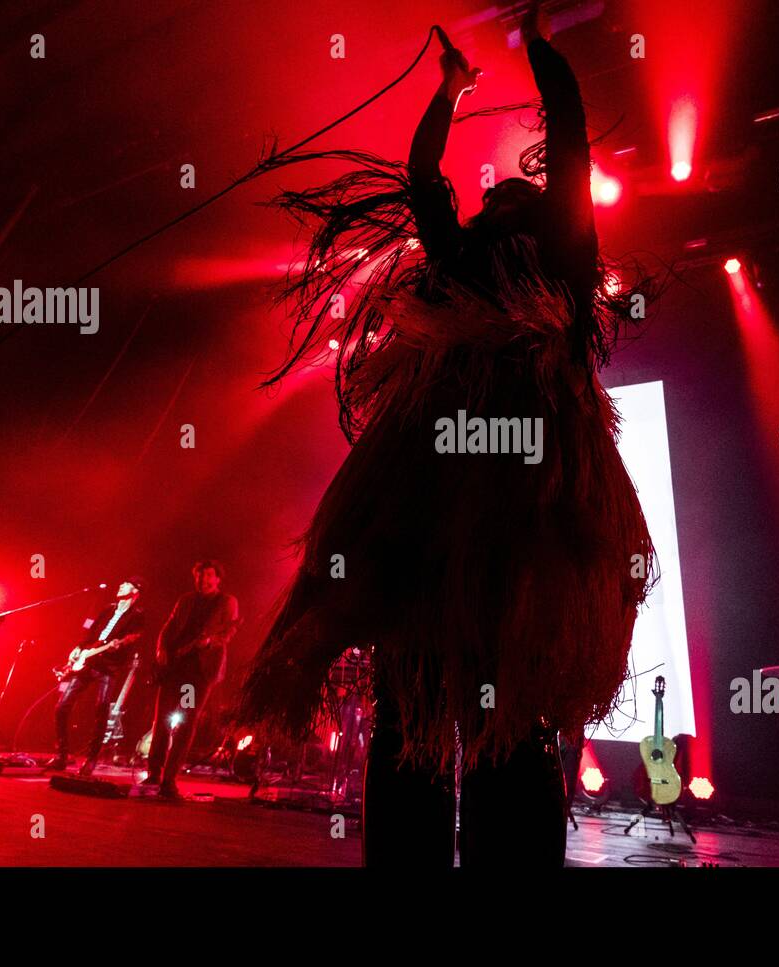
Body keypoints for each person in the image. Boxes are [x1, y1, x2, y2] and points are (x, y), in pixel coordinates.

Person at [238, 1, 658, 867]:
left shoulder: (561, 266)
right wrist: (451, 91)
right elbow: (424, 179)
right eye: (496, 194)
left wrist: (540, 47)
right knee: (416, 703)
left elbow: (565, 143)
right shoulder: (463, 263)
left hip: (524, 499)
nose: (501, 195)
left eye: (515, 193)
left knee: (506, 714)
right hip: (441, 489)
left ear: (536, 212)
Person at [143, 560, 240, 799]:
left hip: (199, 671)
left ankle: (169, 779)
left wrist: (210, 642)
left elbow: (228, 632)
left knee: (186, 723)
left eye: (208, 576)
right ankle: (154, 773)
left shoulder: (227, 602)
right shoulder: (186, 600)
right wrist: (161, 649)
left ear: (218, 579)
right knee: (161, 721)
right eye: (199, 576)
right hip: (174, 666)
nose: (203, 580)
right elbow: (169, 626)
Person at [48, 577, 146, 776]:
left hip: (108, 667)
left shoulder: (137, 616)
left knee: (101, 711)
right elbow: (91, 632)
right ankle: (62, 755)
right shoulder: (107, 609)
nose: (120, 585)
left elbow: (135, 637)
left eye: (125, 584)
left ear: (135, 591)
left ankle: (92, 759)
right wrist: (78, 648)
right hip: (87, 661)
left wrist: (120, 644)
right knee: (62, 706)